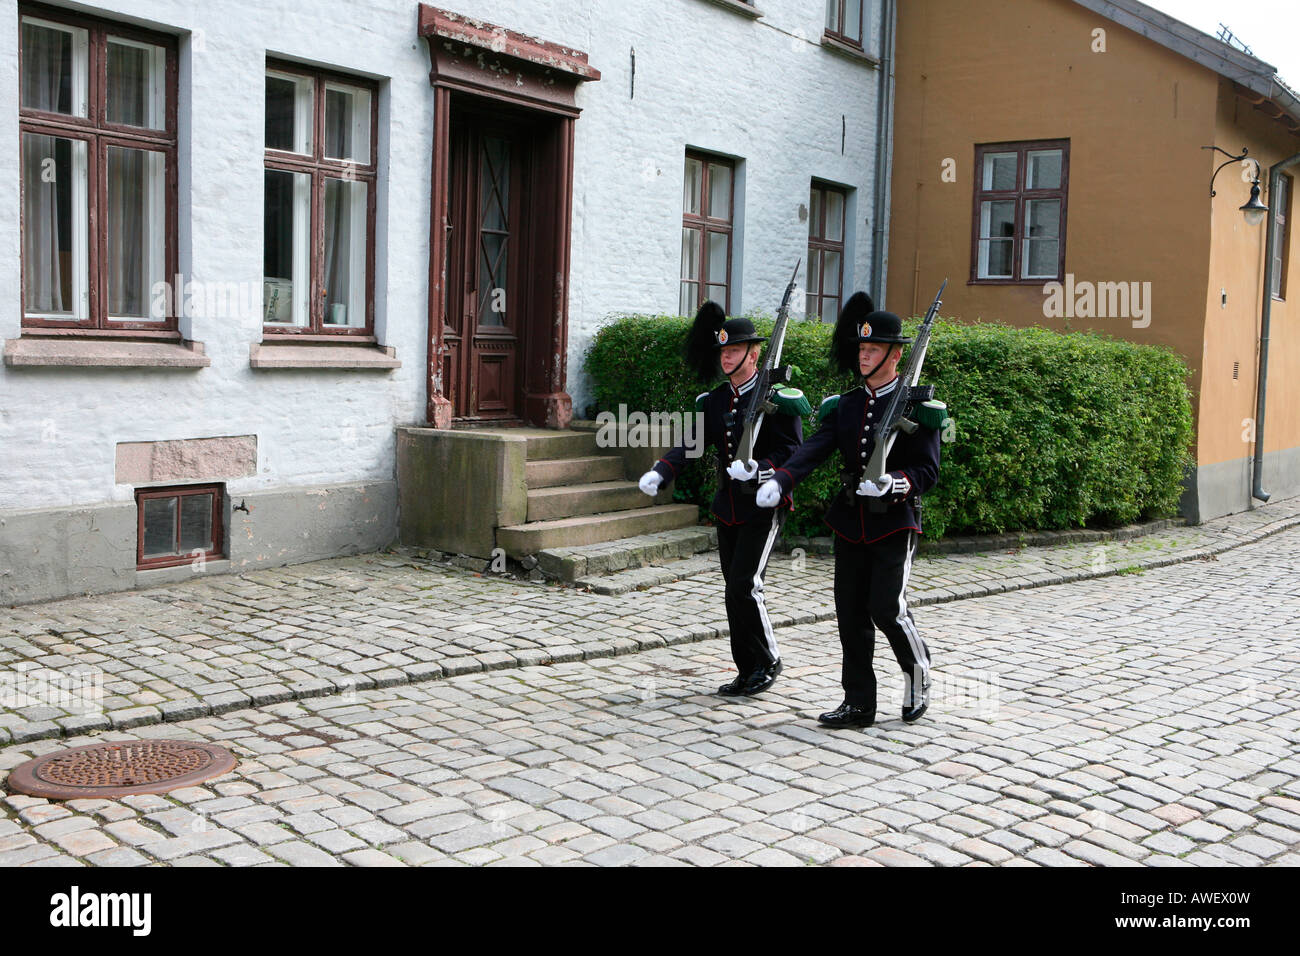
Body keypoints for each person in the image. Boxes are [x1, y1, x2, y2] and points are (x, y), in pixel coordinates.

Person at [756, 292, 942, 726]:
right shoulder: (847, 405)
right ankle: (858, 702)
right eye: (861, 349)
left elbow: (928, 471)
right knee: (851, 614)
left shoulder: (919, 408)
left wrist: (897, 482)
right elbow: (815, 448)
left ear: (896, 355)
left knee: (887, 608)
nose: (864, 356)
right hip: (852, 521)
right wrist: (782, 477)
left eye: (873, 349)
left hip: (895, 522)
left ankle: (918, 675)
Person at [639, 302, 804, 697]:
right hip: (729, 505)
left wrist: (762, 471)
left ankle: (768, 660)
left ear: (754, 354)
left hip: (764, 504)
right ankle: (746, 668)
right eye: (723, 352)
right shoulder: (717, 400)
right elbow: (694, 442)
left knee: (746, 585)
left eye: (734, 351)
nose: (726, 358)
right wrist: (662, 470)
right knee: (733, 588)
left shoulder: (777, 398)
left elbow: (794, 452)